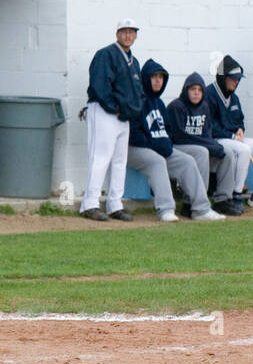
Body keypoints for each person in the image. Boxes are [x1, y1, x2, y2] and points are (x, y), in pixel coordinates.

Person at [127, 59, 223, 222]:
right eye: (154, 76)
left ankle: (201, 209)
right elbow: (134, 134)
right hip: (134, 149)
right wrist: (156, 145)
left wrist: (164, 144)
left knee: (187, 161)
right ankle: (165, 210)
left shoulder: (159, 103)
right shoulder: (136, 100)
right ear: (146, 78)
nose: (158, 80)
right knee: (157, 162)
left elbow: (168, 131)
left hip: (158, 148)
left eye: (161, 77)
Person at [79, 19, 144, 221]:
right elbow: (99, 85)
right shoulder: (106, 54)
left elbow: (138, 92)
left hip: (122, 116)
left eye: (131, 32)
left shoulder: (134, 61)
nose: (127, 36)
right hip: (105, 111)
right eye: (123, 31)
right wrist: (113, 107)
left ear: (135, 35)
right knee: (100, 157)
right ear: (117, 34)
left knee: (119, 160)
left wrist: (130, 111)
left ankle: (115, 204)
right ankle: (89, 203)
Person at [166, 73, 242, 216]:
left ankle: (222, 200)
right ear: (186, 90)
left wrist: (213, 146)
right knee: (202, 152)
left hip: (198, 145)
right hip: (178, 146)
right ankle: (192, 202)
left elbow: (207, 134)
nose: (196, 93)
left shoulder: (204, 107)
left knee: (227, 153)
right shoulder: (176, 107)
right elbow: (180, 136)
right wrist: (210, 145)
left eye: (200, 90)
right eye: (193, 89)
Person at [208, 55, 253, 208]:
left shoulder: (233, 97)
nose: (237, 82)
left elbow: (239, 119)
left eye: (238, 79)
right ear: (223, 77)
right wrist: (231, 135)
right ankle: (236, 195)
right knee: (244, 149)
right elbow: (210, 126)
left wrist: (240, 130)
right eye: (233, 78)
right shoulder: (209, 94)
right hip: (216, 140)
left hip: (234, 138)